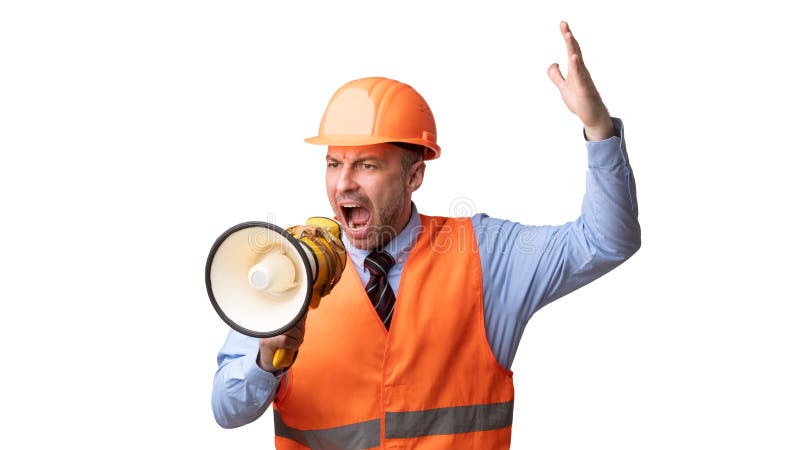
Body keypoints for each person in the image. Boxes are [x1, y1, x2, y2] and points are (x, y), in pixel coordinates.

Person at [212, 21, 640, 449]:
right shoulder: (285, 268)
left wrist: (598, 128)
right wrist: (266, 361)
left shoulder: (487, 257)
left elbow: (604, 241)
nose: (342, 184)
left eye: (366, 165)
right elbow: (227, 410)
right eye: (333, 163)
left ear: (414, 174)